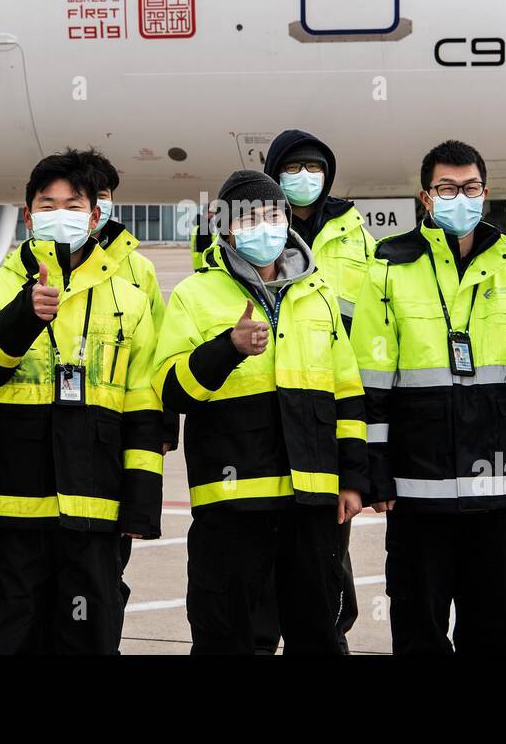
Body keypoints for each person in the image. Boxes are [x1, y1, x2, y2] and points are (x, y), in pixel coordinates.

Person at [348, 139, 506, 654]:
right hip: (416, 497)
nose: (461, 196)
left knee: (493, 634)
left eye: (471, 187)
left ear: (486, 192)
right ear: (425, 196)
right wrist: (372, 472)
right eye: (448, 188)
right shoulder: (386, 272)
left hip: (494, 495)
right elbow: (369, 386)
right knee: (419, 635)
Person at [0, 150, 165, 655]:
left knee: (89, 636)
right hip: (9, 507)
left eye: (73, 205)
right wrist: (21, 316)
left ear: (96, 216)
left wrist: (140, 503)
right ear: (28, 215)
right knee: (4, 634)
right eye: (47, 205)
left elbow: (143, 407)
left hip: (93, 505)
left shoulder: (128, 298)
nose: (59, 214)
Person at [153, 170, 368, 655]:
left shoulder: (318, 294)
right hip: (233, 505)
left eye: (274, 214)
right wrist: (226, 348)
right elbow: (171, 389)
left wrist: (352, 478)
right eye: (249, 217)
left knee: (319, 636)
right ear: (225, 228)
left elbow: (347, 393)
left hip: (310, 502)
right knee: (227, 638)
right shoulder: (195, 294)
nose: (264, 225)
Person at [259, 129, 376, 651]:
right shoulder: (252, 232)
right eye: (292, 168)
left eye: (315, 167)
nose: (305, 177)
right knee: (262, 567)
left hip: (332, 403)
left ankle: (331, 637)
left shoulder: (358, 236)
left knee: (327, 556)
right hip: (268, 410)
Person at [77, 148, 177, 647]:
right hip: (73, 432)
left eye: (103, 197)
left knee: (109, 570)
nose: (97, 206)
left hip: (120, 431)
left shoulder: (138, 268)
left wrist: (159, 434)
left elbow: (155, 356)